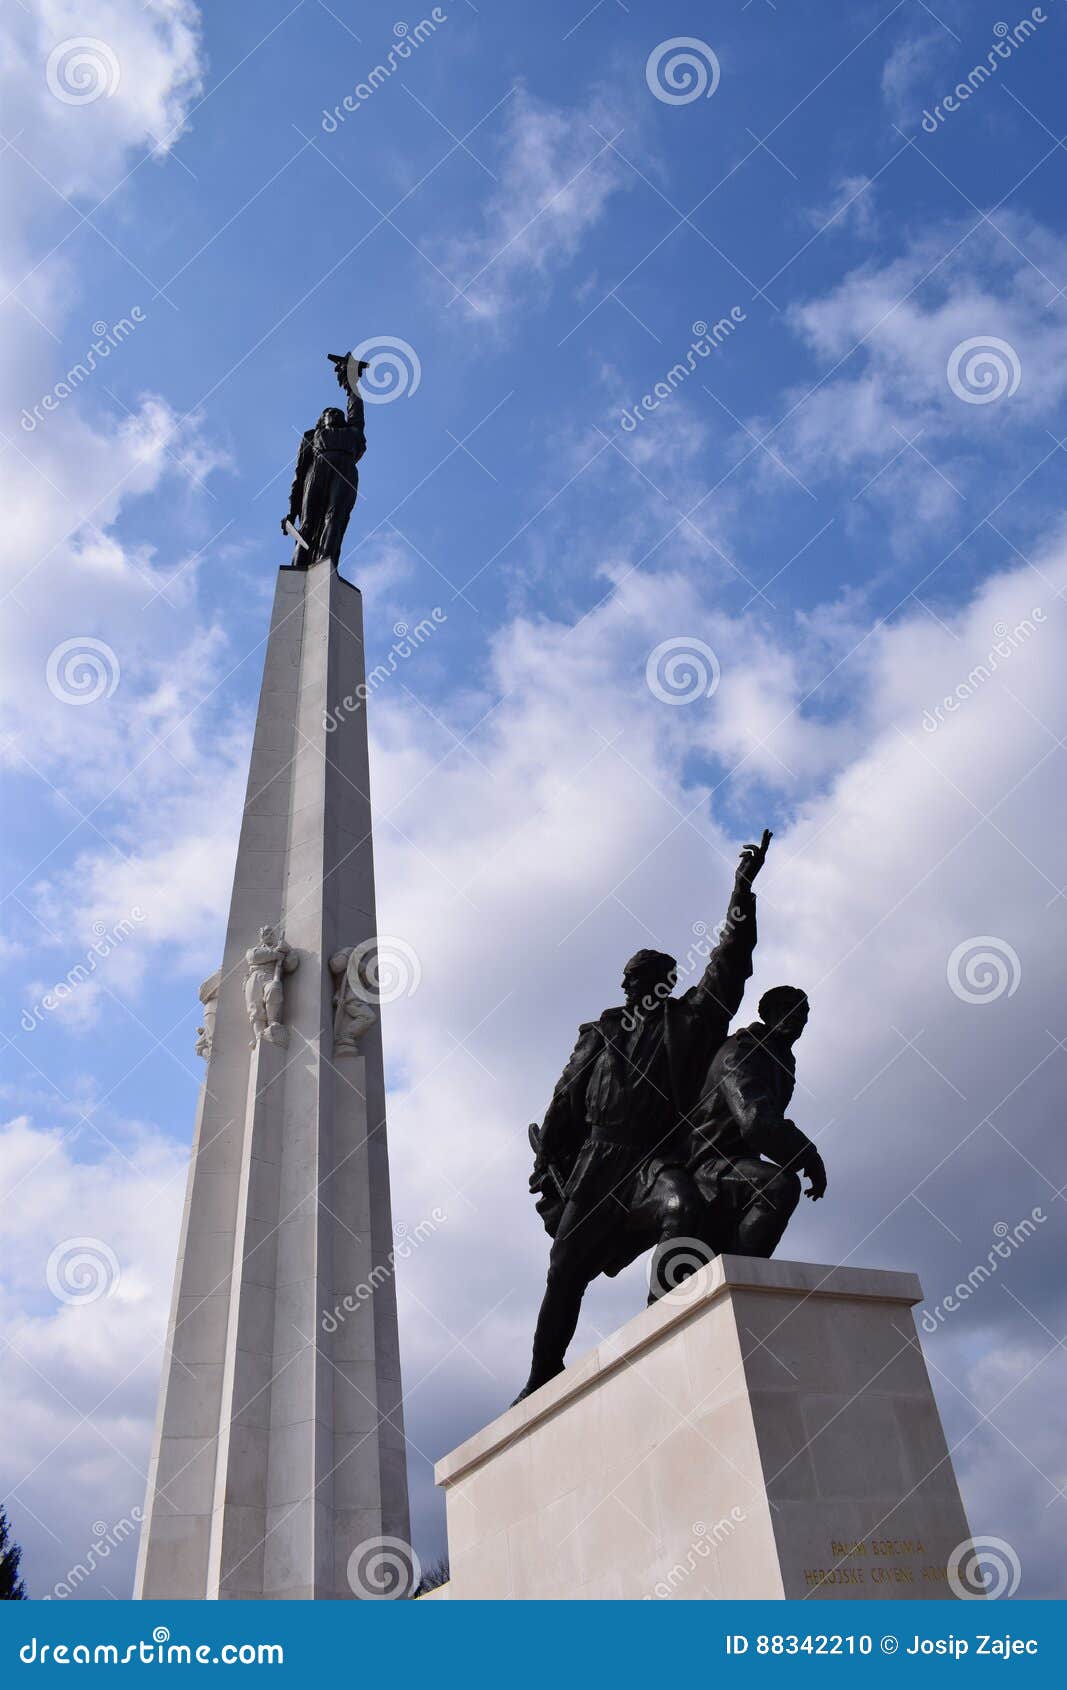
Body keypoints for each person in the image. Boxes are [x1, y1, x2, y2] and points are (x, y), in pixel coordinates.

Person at [515, 832, 772, 1401]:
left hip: (651, 1159)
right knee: (565, 1272)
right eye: (627, 979)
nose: (628, 986)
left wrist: (742, 891)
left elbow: (731, 964)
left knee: (682, 1205)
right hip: (595, 1163)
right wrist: (547, 1157)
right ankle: (542, 1371)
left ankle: (664, 1321)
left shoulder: (691, 1022)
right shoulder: (600, 1034)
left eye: (638, 978)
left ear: (661, 984)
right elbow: (565, 1099)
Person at [684, 984, 826, 1257]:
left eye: (802, 1012)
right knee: (778, 1187)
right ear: (767, 1013)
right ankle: (741, 1281)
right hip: (706, 1162)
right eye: (786, 1009)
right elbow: (756, 1122)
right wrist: (808, 1155)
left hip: (737, 1163)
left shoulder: (779, 1059)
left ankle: (743, 1283)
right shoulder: (744, 1050)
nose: (796, 1017)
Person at [282, 360, 366, 569]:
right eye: (329, 411)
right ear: (321, 421)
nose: (335, 413)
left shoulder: (353, 432)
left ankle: (326, 564)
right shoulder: (312, 436)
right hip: (318, 469)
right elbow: (299, 475)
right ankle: (298, 566)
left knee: (335, 518)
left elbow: (356, 408)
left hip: (346, 469)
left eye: (339, 412)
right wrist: (292, 511)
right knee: (309, 522)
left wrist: (352, 381)